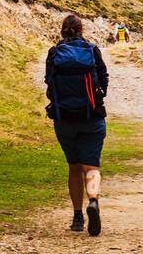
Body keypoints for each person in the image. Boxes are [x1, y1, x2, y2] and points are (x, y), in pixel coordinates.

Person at [45, 14, 109, 236]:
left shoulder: (54, 53)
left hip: (64, 119)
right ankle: (93, 200)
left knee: (73, 166)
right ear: (82, 30)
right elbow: (103, 77)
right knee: (91, 166)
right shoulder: (91, 51)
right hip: (92, 116)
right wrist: (99, 98)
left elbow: (48, 82)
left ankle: (77, 216)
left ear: (62, 30)